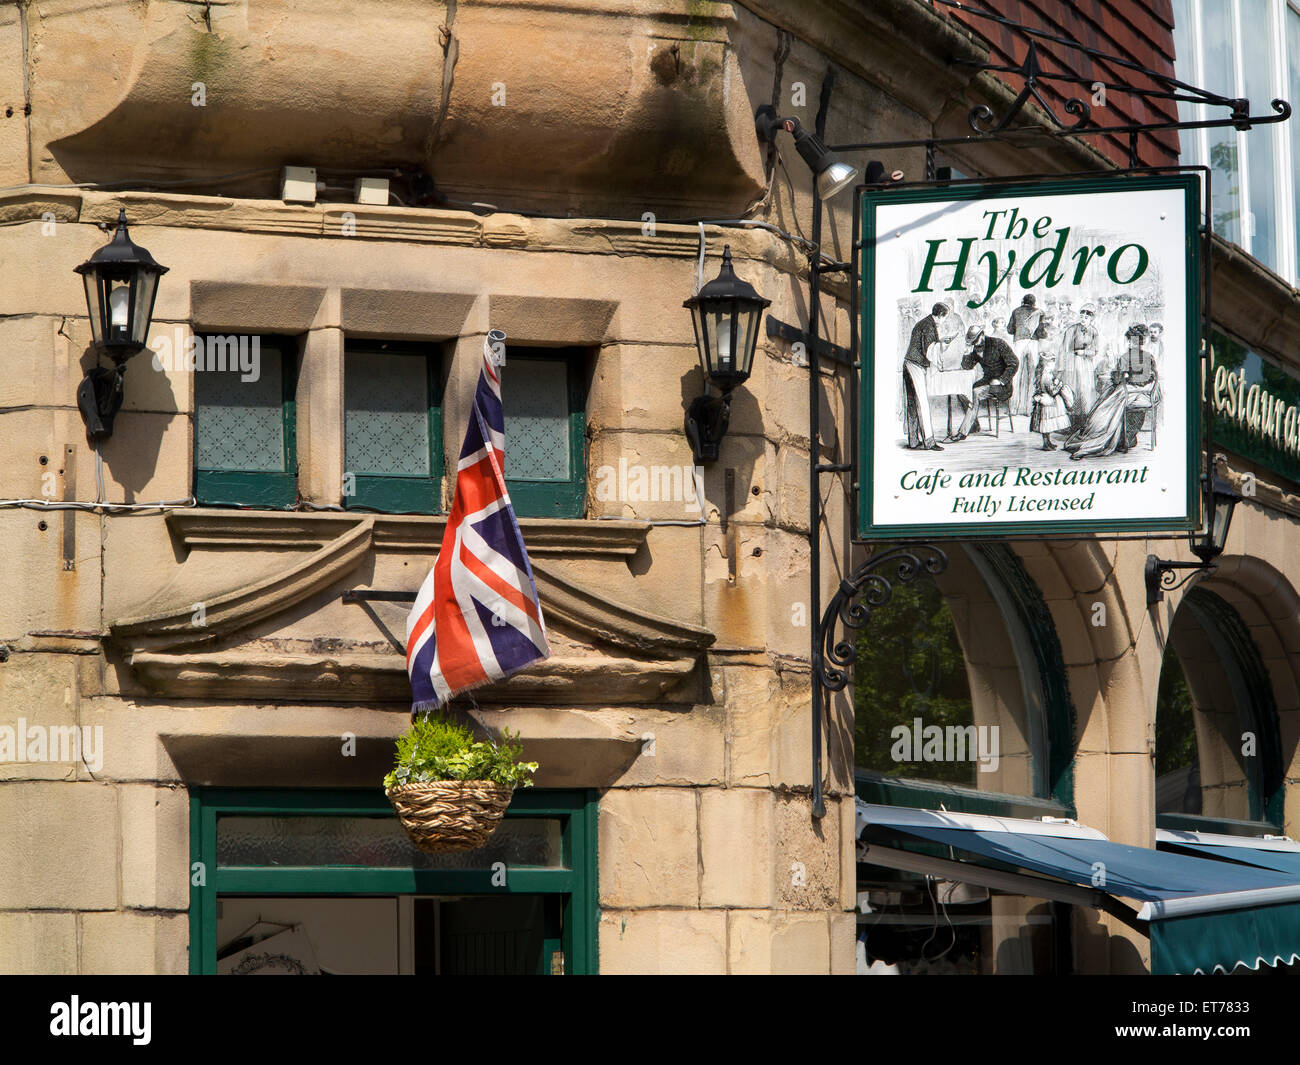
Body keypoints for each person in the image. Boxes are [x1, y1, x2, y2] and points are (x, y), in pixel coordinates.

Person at [1063, 323, 1160, 458]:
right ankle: (1126, 439)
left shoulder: (1126, 357)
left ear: (1131, 341)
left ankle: (1097, 439)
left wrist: (1122, 378)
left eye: (1131, 340)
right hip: (1146, 395)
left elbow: (1117, 378)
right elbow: (1153, 376)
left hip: (1130, 393)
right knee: (1111, 398)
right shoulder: (1149, 356)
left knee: (1105, 406)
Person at [952, 325, 1018, 440]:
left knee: (975, 393)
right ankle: (973, 424)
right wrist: (967, 352)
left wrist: (1001, 380)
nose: (975, 344)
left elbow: (1014, 363)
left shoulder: (998, 343)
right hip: (987, 381)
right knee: (963, 393)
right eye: (972, 341)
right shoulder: (974, 348)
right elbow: (967, 366)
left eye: (976, 340)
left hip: (1002, 386)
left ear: (982, 335)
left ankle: (962, 433)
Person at [902, 302, 948, 450]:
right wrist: (943, 344)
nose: (943, 321)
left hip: (909, 363)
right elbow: (929, 351)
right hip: (916, 365)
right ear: (941, 315)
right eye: (944, 317)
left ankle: (914, 441)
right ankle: (929, 441)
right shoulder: (929, 326)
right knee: (921, 402)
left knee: (911, 403)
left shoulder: (923, 323)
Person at [1059, 303, 1102, 417]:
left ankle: (1085, 416)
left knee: (1085, 389)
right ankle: (1072, 416)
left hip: (1086, 363)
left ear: (1091, 319)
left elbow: (1095, 350)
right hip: (1072, 362)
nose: (1083, 319)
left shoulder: (1094, 331)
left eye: (1086, 318)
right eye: (1082, 317)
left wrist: (1084, 353)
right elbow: (1064, 348)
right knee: (1072, 388)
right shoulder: (1072, 329)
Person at [1029, 351, 1074, 450]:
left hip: (1046, 401)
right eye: (1052, 362)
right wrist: (1059, 384)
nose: (1054, 364)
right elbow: (1052, 392)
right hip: (1048, 403)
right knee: (1046, 424)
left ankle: (1048, 442)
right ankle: (1046, 444)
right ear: (1047, 364)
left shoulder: (1044, 374)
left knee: (1047, 425)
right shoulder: (1046, 376)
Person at [1007, 294, 1042, 419]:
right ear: (1034, 302)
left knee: (1016, 374)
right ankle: (1030, 409)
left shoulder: (1016, 311)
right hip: (1033, 343)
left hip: (1019, 342)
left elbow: (1010, 330)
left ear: (1023, 301)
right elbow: (1042, 332)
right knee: (1033, 374)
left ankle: (1014, 408)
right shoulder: (1039, 313)